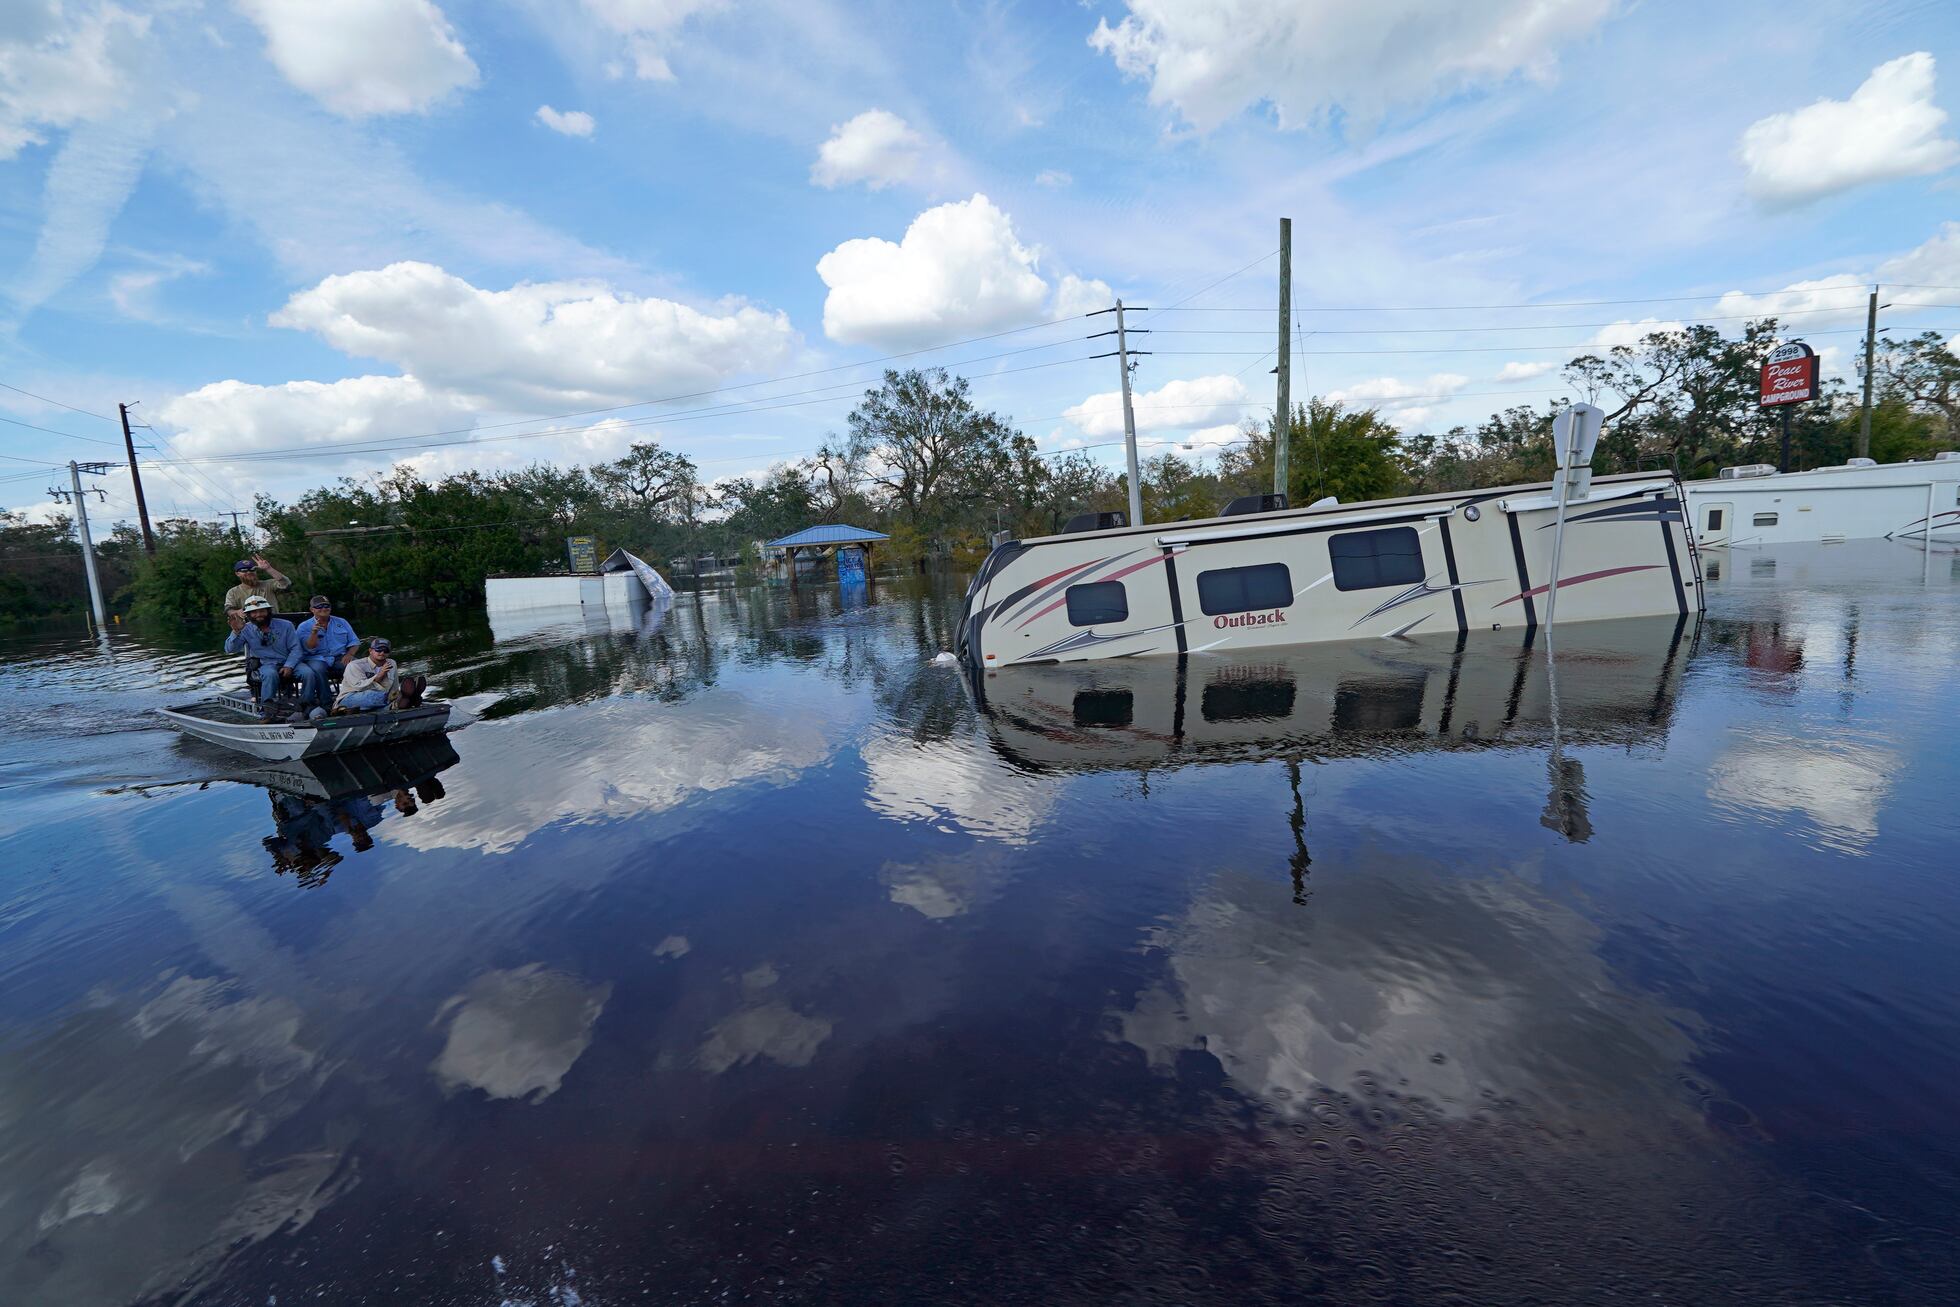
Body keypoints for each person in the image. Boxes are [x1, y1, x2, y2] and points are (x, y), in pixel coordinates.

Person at [224, 596, 323, 717]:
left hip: (289, 661)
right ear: (248, 614)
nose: (258, 614)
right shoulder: (245, 629)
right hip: (266, 664)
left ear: (268, 611)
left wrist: (289, 666)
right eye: (254, 612)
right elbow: (230, 650)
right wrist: (236, 631)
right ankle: (267, 709)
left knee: (308, 673)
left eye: (262, 611)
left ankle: (306, 704)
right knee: (270, 674)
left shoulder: (286, 625)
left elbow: (296, 649)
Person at [298, 595, 359, 691]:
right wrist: (314, 633)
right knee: (318, 669)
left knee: (356, 666)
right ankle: (325, 699)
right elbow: (309, 647)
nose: (323, 609)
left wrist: (350, 654)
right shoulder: (304, 626)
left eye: (326, 606)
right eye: (319, 606)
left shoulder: (342, 622)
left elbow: (354, 641)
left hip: (339, 656)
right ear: (312, 609)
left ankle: (355, 695)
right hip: (315, 658)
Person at [336, 637, 399, 713]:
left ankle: (394, 704)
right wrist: (379, 676)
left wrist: (396, 693)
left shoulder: (392, 663)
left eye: (386, 650)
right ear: (370, 651)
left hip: (379, 700)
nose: (382, 653)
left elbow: (395, 685)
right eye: (378, 650)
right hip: (350, 698)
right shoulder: (355, 665)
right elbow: (359, 688)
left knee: (386, 702)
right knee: (372, 695)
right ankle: (395, 701)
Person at [223, 555, 293, 613]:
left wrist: (269, 569)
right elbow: (228, 609)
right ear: (237, 574)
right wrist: (236, 612)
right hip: (248, 624)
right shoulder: (233, 592)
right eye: (244, 570)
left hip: (273, 621)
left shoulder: (269, 584)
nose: (249, 572)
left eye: (252, 570)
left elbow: (286, 584)